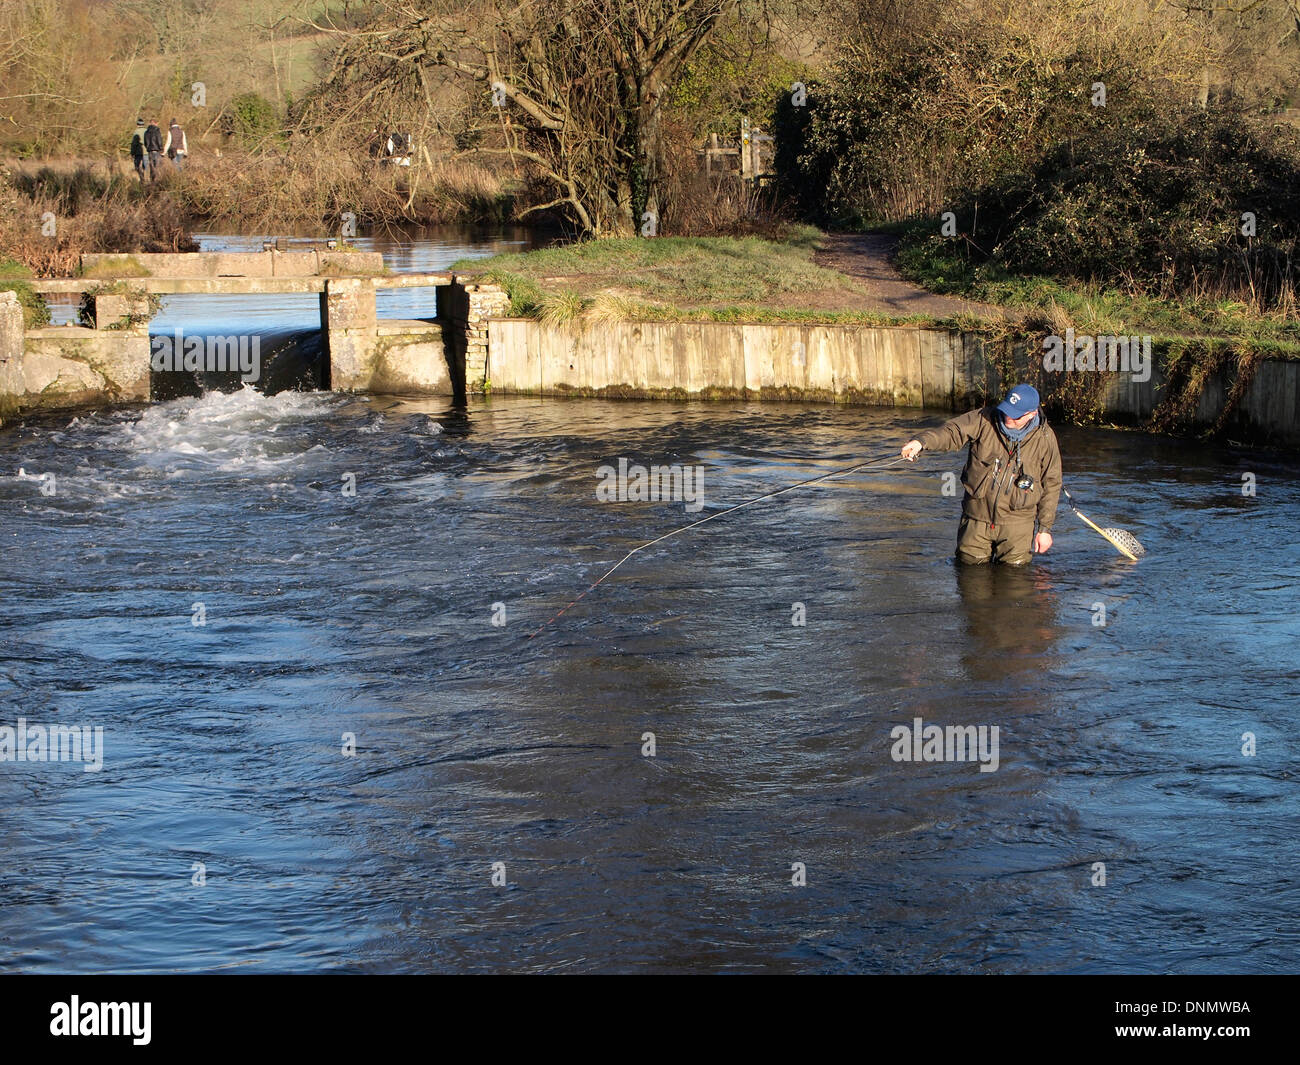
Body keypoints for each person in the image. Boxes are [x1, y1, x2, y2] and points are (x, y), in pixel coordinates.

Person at [900, 383, 1062, 565]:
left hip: (1017, 527)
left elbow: (1052, 483)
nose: (1008, 416)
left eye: (1015, 415)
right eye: (1007, 409)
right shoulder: (983, 419)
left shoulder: (1045, 439)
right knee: (970, 578)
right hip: (975, 520)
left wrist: (1044, 529)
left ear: (1031, 414)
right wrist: (921, 442)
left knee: (1015, 585)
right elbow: (952, 432)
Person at [143, 118, 164, 182]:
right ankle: (157, 180)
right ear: (155, 123)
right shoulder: (157, 130)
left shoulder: (146, 132)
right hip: (156, 150)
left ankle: (152, 180)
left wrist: (147, 148)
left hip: (150, 151)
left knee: (151, 166)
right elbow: (159, 140)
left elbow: (145, 142)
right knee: (157, 166)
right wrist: (161, 148)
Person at [130, 118, 148, 182]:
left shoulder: (136, 132)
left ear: (137, 125)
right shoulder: (147, 130)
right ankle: (147, 179)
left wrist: (132, 153)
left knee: (137, 166)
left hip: (138, 152)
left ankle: (141, 179)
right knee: (146, 167)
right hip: (146, 151)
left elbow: (134, 144)